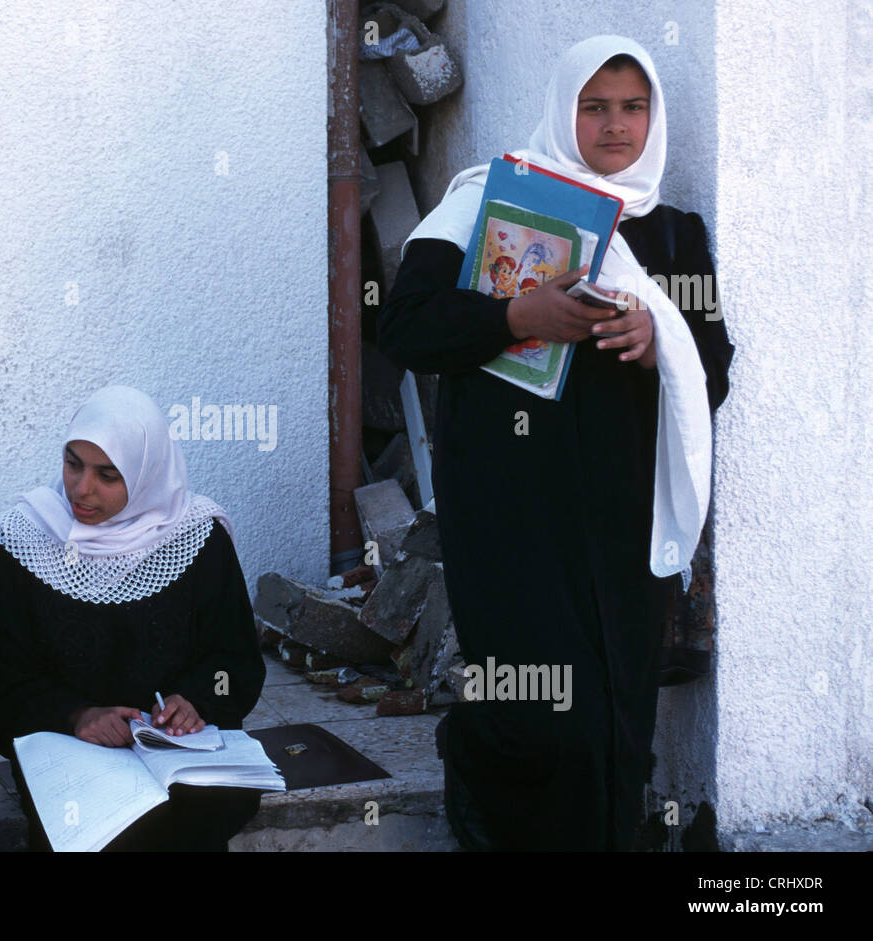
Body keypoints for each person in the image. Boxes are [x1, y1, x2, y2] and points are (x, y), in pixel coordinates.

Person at [378, 36, 734, 851]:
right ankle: (481, 789)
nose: (615, 126)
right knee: (542, 715)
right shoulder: (485, 204)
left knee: (617, 708)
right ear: (563, 110)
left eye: (633, 107)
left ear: (654, 118)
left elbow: (712, 368)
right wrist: (515, 317)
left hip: (623, 515)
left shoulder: (674, 236)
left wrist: (661, 336)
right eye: (594, 105)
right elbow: (407, 324)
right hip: (512, 510)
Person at [0, 384, 265, 851]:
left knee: (205, 806)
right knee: (93, 820)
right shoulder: (22, 542)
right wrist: (76, 716)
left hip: (177, 750)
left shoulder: (196, 538)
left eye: (107, 475)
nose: (82, 489)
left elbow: (234, 658)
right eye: (73, 464)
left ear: (146, 474)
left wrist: (197, 702)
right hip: (67, 747)